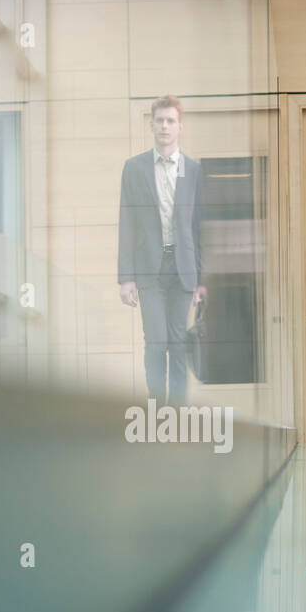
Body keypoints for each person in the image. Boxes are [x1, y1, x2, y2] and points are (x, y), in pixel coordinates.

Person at [117, 95, 206, 405]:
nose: (165, 126)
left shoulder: (193, 170)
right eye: (160, 121)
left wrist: (202, 279)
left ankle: (177, 414)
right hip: (149, 269)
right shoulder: (134, 168)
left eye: (170, 121)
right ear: (151, 125)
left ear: (179, 126)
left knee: (179, 343)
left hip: (183, 269)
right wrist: (125, 277)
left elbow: (198, 227)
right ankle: (156, 412)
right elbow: (126, 222)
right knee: (156, 343)